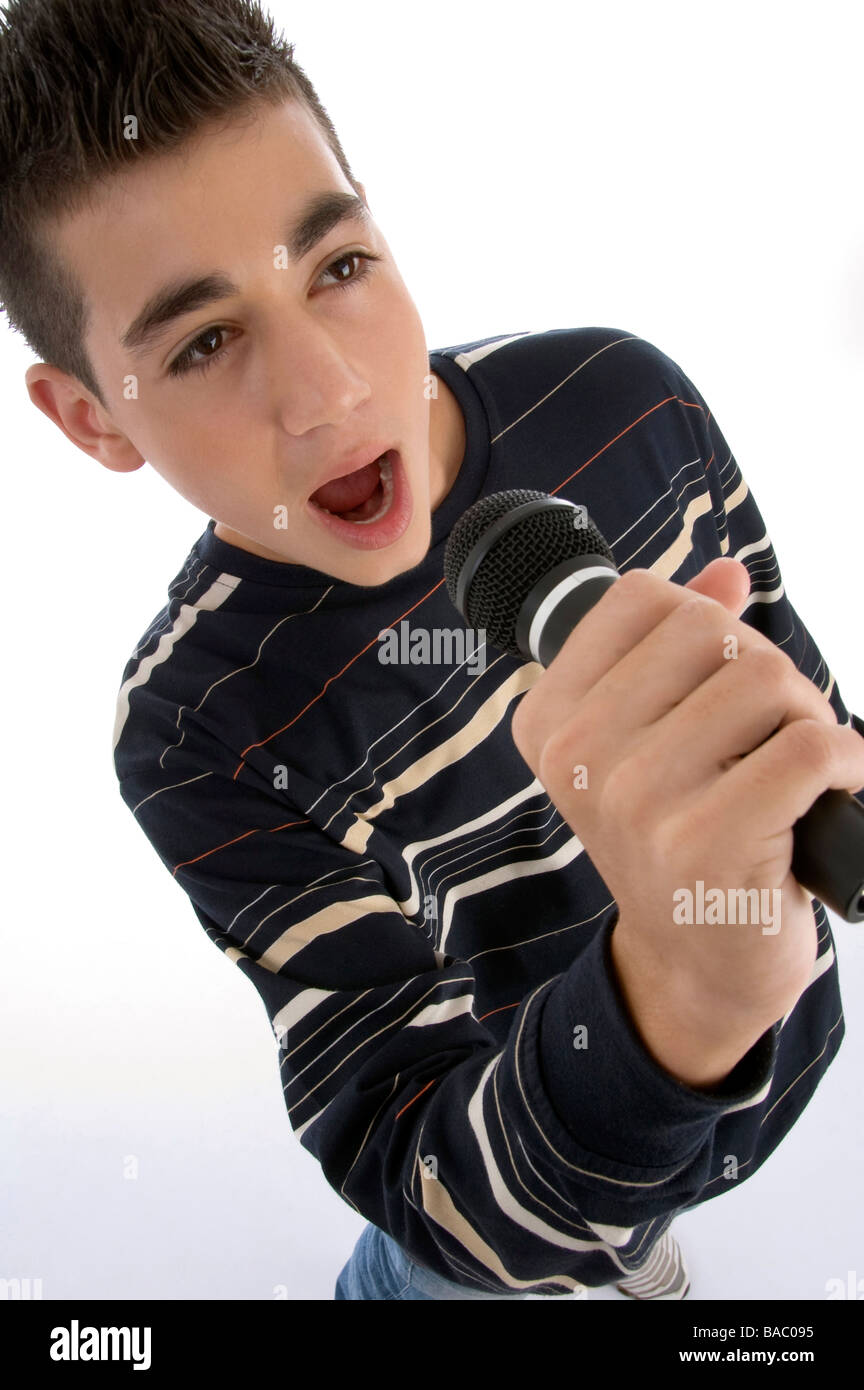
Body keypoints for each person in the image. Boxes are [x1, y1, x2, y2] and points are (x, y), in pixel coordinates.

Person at [3, 0, 861, 1301]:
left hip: (722, 1095)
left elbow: (810, 726)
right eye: (204, 341)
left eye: (336, 267)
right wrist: (672, 1005)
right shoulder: (195, 724)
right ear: (92, 420)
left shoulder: (629, 402)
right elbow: (417, 1157)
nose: (328, 393)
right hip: (500, 1219)